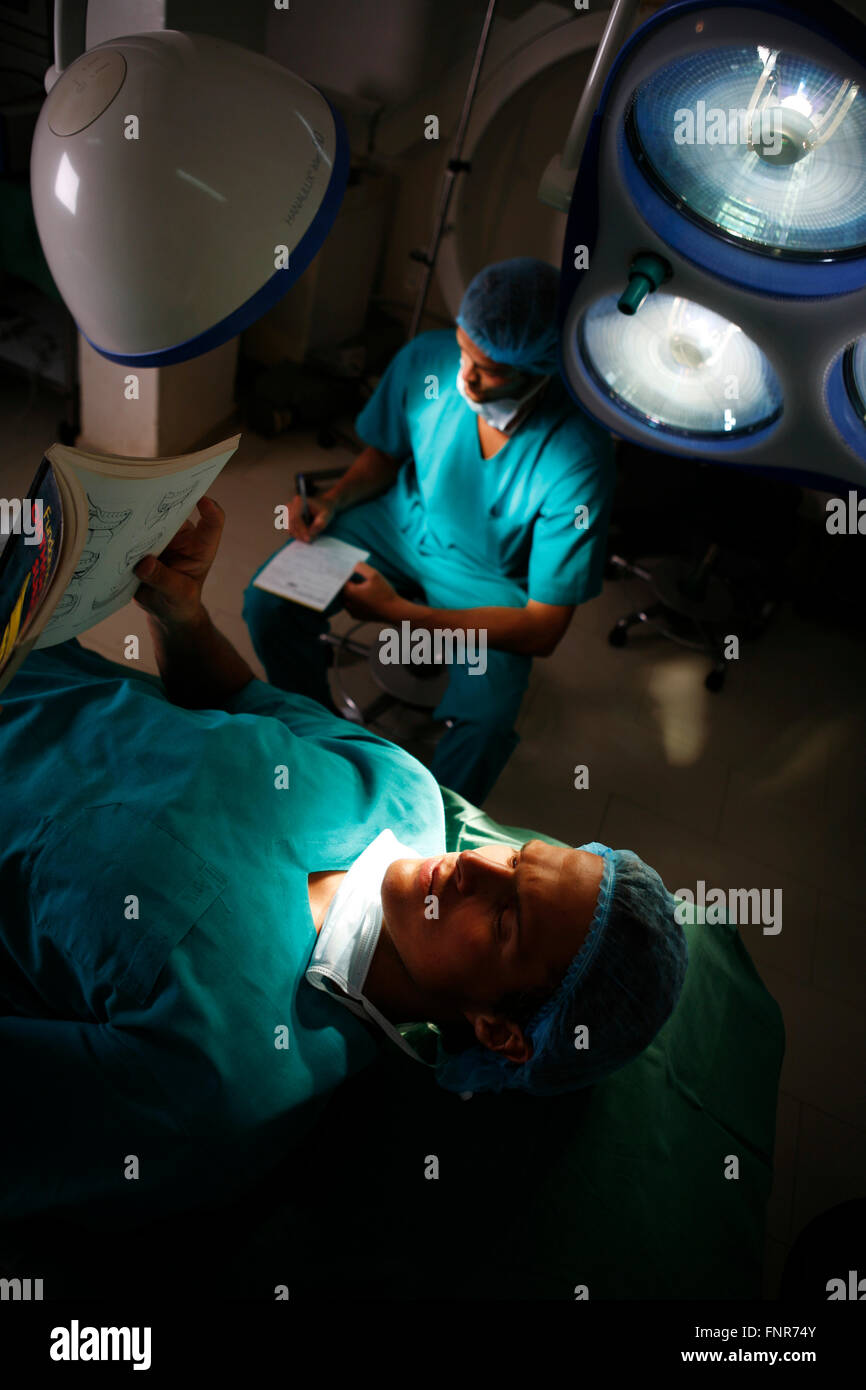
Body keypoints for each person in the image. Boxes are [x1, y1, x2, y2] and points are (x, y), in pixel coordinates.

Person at [0, 499, 685, 1228]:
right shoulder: (402, 789)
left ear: (496, 1030)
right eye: (518, 858)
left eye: (507, 919)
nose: (472, 868)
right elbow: (233, 696)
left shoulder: (230, 1077)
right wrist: (181, 611)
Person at [243, 257, 616, 804]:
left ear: (539, 367)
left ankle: (426, 831)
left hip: (487, 580)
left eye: (488, 369)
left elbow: (542, 628)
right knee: (267, 605)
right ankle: (317, 741)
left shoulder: (577, 454)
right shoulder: (428, 360)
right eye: (464, 351)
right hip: (399, 520)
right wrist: (332, 498)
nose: (464, 375)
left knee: (485, 728)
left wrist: (402, 616)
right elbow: (385, 453)